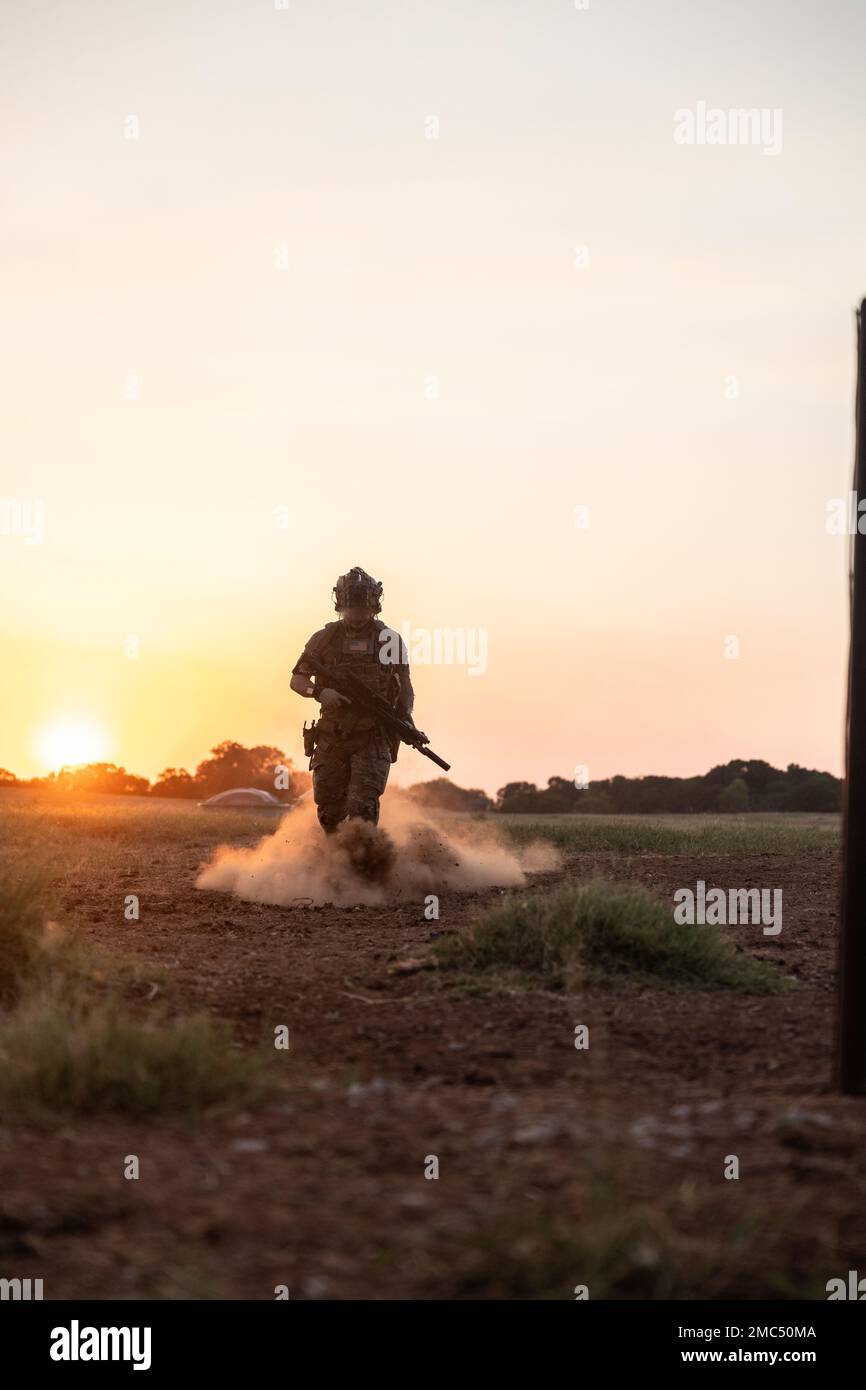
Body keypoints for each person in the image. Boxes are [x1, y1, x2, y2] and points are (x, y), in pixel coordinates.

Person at [290, 567, 416, 833]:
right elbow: (297, 681)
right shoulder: (323, 639)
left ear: (374, 604)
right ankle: (333, 861)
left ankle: (363, 863)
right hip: (332, 734)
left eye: (363, 607)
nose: (357, 613)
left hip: (372, 735)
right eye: (352, 607)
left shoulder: (388, 641)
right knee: (329, 808)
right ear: (341, 604)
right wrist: (320, 693)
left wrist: (405, 722)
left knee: (363, 808)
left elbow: (404, 686)